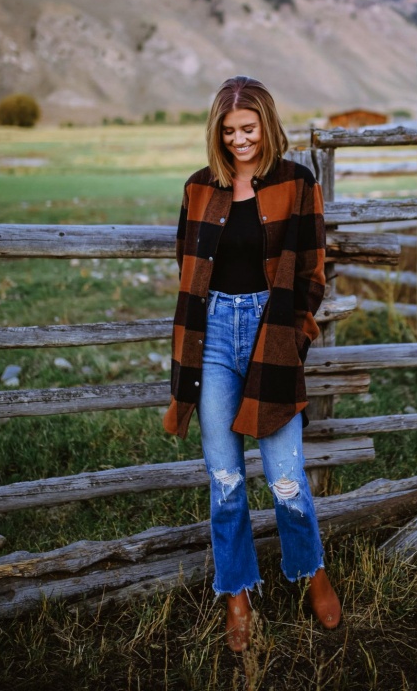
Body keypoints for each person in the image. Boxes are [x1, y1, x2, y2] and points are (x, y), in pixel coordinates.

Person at [162, 76, 341, 652]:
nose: (239, 140)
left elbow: (313, 273)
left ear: (266, 124)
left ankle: (310, 573)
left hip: (272, 332)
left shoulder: (297, 182)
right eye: (229, 130)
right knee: (226, 480)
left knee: (286, 477)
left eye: (249, 128)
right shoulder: (197, 189)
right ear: (217, 132)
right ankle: (237, 590)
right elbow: (188, 272)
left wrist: (294, 330)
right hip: (212, 336)